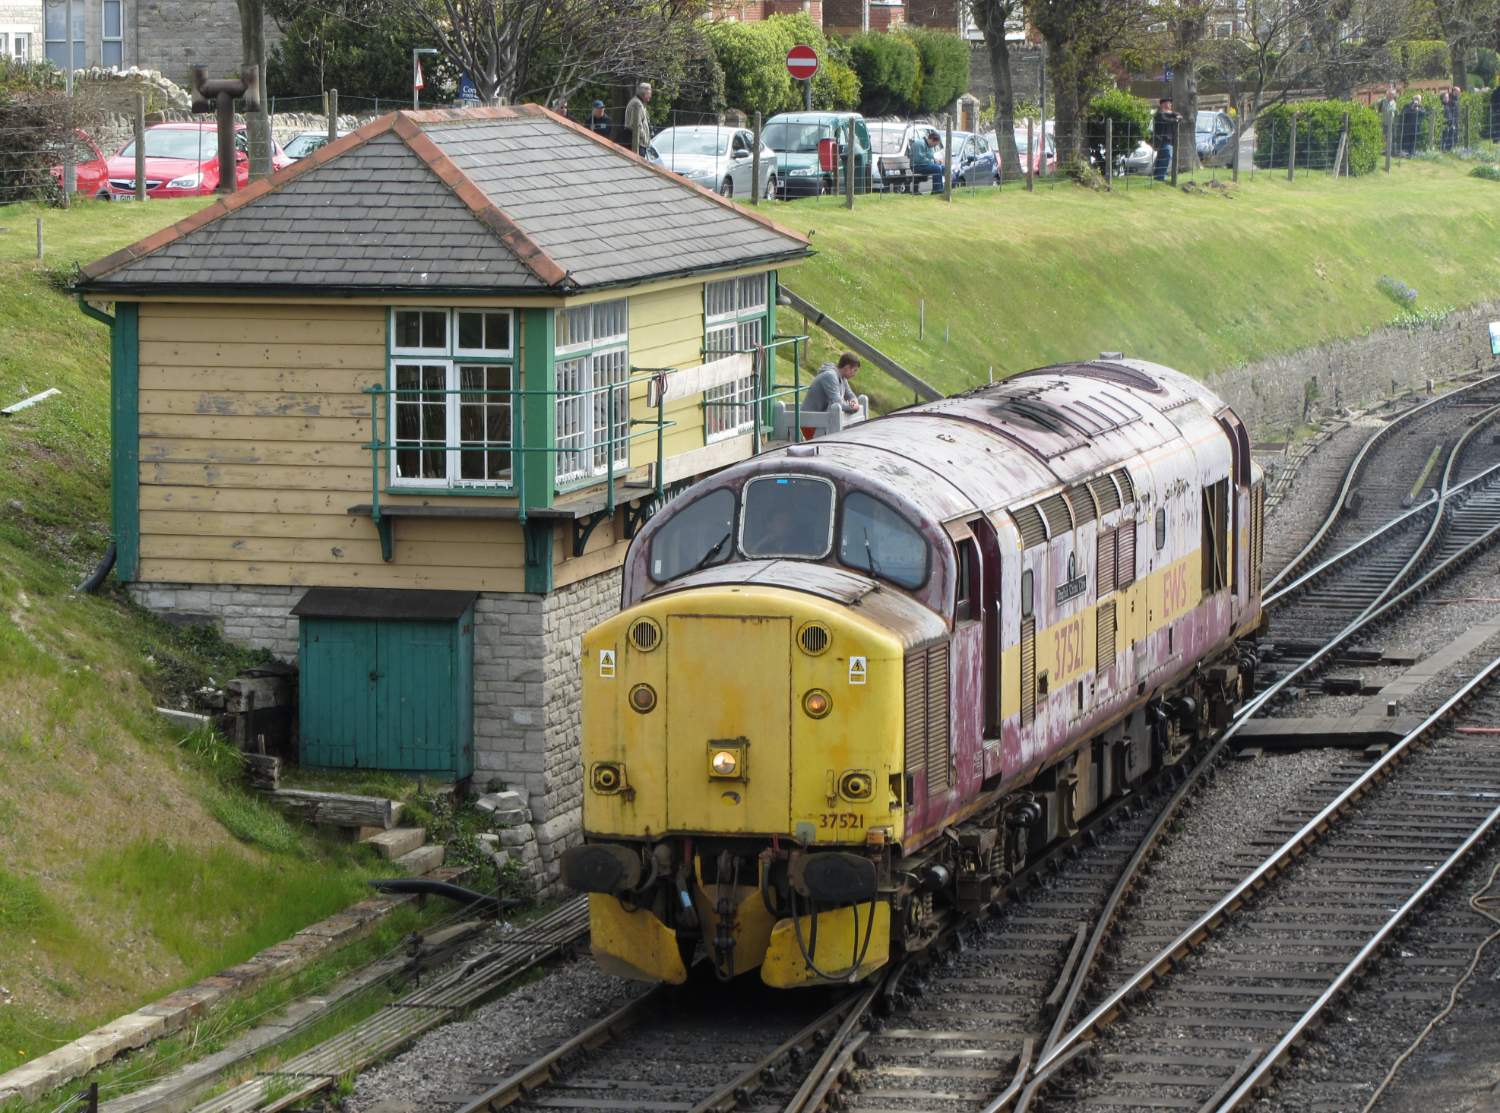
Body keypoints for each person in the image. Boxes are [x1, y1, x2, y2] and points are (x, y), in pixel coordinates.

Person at [800, 353, 862, 440]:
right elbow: (837, 402)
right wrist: (853, 406)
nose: (855, 374)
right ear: (847, 368)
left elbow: (850, 395)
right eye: (854, 370)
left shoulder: (842, 377)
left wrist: (854, 402)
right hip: (811, 423)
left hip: (822, 421)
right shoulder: (831, 376)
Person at [1152, 97, 1182, 181]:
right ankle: (1160, 177)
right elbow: (1166, 119)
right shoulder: (1159, 114)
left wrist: (1177, 116)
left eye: (1170, 103)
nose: (1170, 104)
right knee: (1166, 156)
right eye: (1168, 103)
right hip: (1161, 140)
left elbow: (1178, 116)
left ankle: (1158, 176)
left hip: (1169, 140)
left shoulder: (1170, 114)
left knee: (1162, 157)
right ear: (1163, 104)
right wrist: (1175, 119)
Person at [907, 128, 945, 194]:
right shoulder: (919, 144)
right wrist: (932, 162)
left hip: (924, 165)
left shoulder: (929, 146)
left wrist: (936, 161)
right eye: (935, 144)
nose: (934, 146)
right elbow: (918, 159)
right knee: (937, 168)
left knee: (943, 168)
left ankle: (942, 188)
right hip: (916, 166)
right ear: (931, 140)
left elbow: (930, 157)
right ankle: (937, 191)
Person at [625, 82, 653, 156]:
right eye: (649, 93)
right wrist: (644, 138)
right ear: (644, 94)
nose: (650, 96)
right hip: (638, 144)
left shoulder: (640, 103)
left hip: (640, 143)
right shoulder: (637, 104)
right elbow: (635, 125)